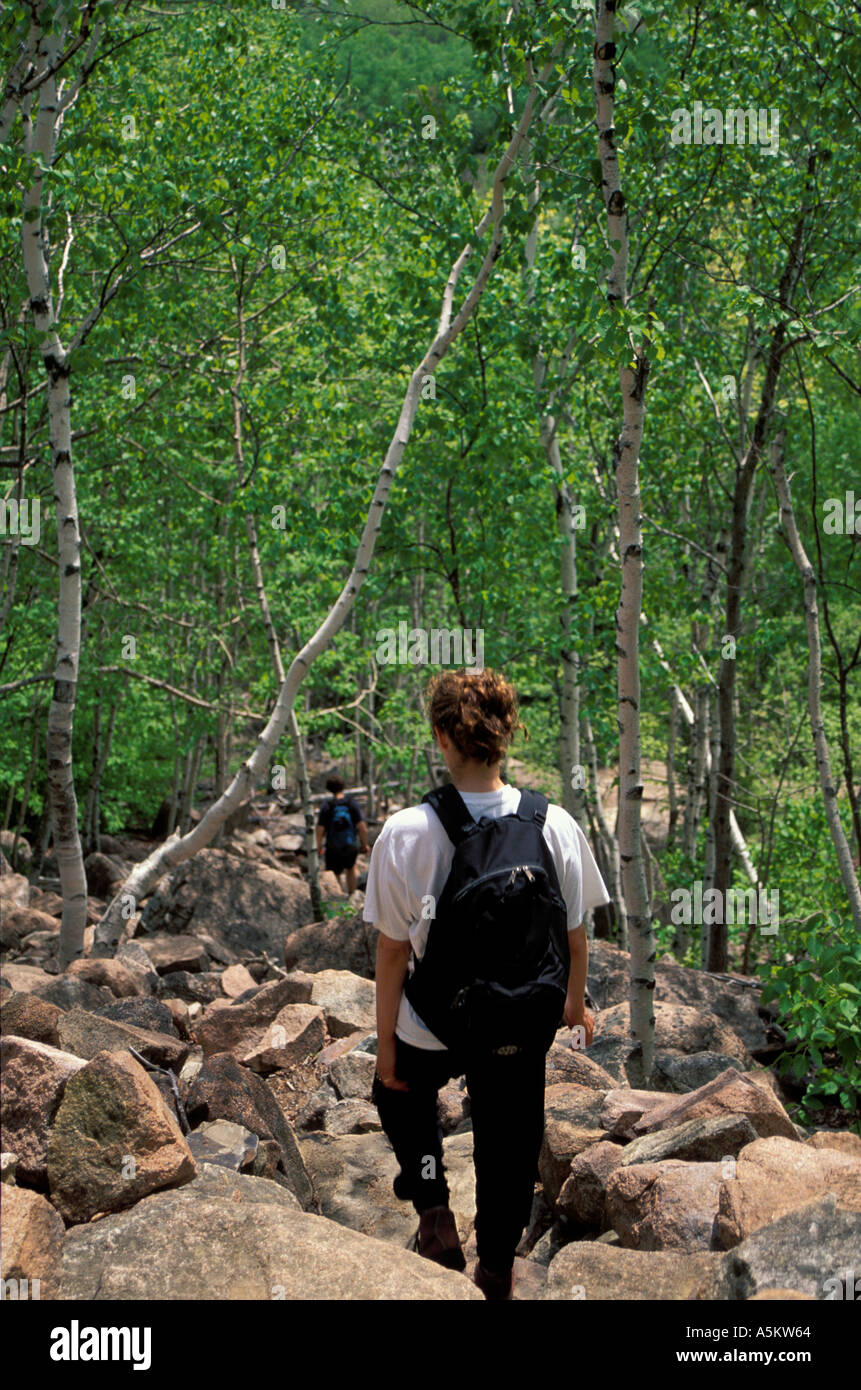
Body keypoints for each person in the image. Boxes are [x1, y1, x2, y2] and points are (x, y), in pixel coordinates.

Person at [364, 668, 610, 1300]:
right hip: (516, 1019)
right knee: (511, 1137)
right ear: (507, 735)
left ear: (443, 737)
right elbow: (576, 936)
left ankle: (433, 1209)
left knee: (400, 1093)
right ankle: (496, 1264)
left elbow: (392, 954)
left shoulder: (406, 832)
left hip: (437, 1020)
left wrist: (387, 1047)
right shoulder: (554, 824)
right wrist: (572, 1009)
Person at [316, 775, 369, 895]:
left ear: (329, 789)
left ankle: (337, 898)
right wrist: (364, 844)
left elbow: (320, 830)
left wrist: (318, 847)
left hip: (332, 846)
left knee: (335, 873)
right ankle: (353, 897)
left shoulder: (327, 806)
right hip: (350, 844)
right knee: (351, 868)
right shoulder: (352, 804)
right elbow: (362, 828)